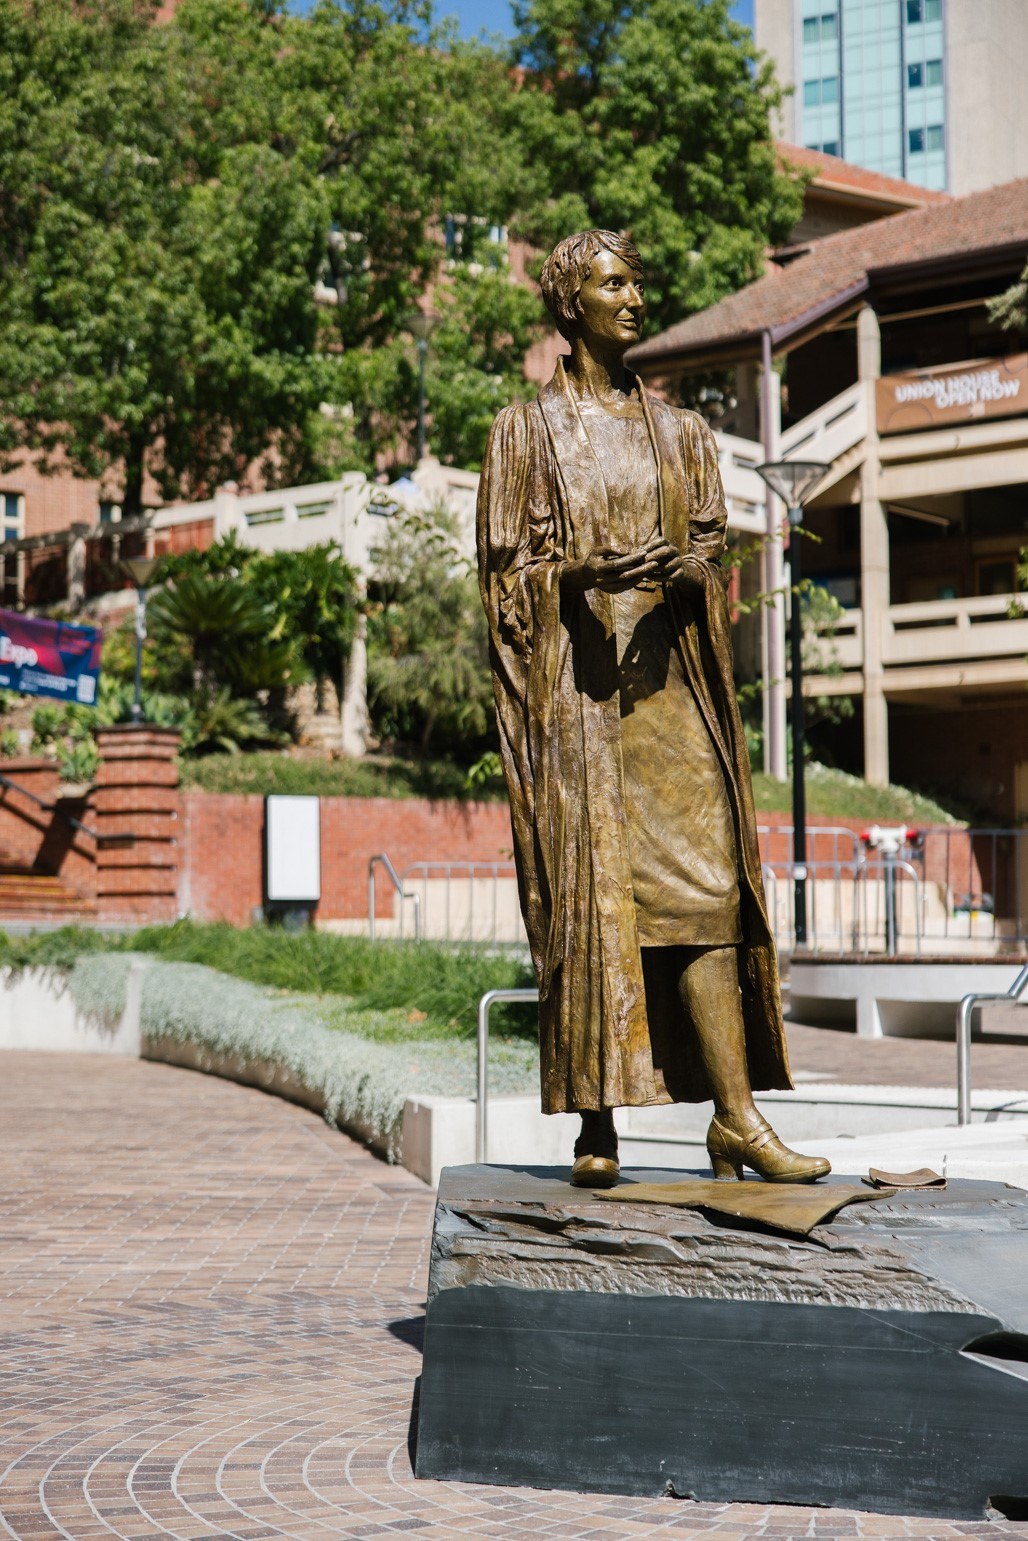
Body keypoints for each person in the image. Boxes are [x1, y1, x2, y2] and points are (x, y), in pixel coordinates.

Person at [477, 229, 830, 1188]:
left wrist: (692, 567)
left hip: (672, 689)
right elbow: (505, 572)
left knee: (708, 889)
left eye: (637, 281)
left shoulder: (682, 433)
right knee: (593, 900)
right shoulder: (526, 430)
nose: (634, 297)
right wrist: (573, 574)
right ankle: (599, 1123)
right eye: (612, 283)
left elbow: (715, 546)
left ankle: (737, 1118)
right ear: (569, 304)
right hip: (584, 699)